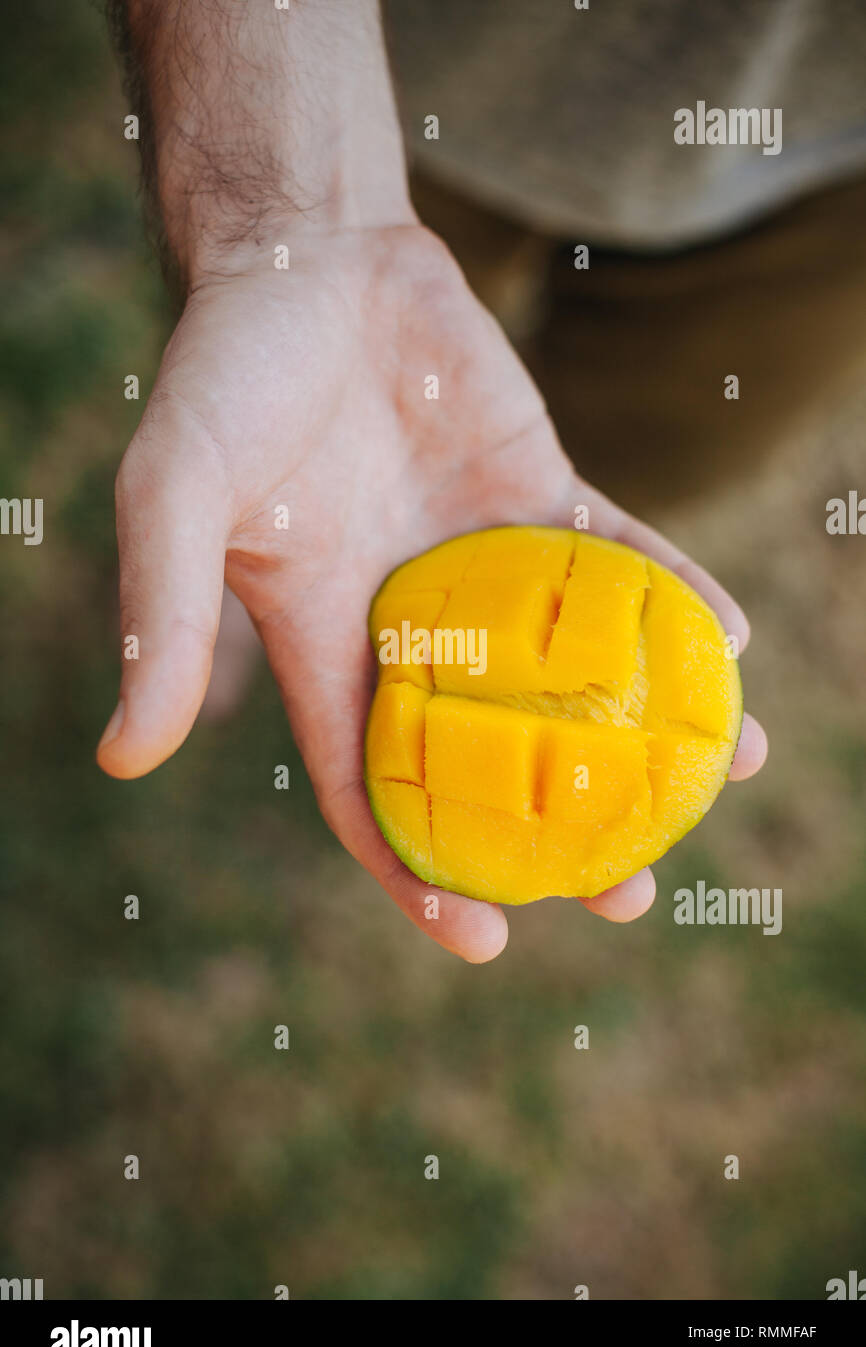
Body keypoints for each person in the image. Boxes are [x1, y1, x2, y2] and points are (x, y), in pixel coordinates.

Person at [98, 1, 772, 963]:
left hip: (814, 184)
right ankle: (258, 553)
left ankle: (272, 542)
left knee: (667, 440)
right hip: (414, 89)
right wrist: (292, 224)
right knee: (292, 420)